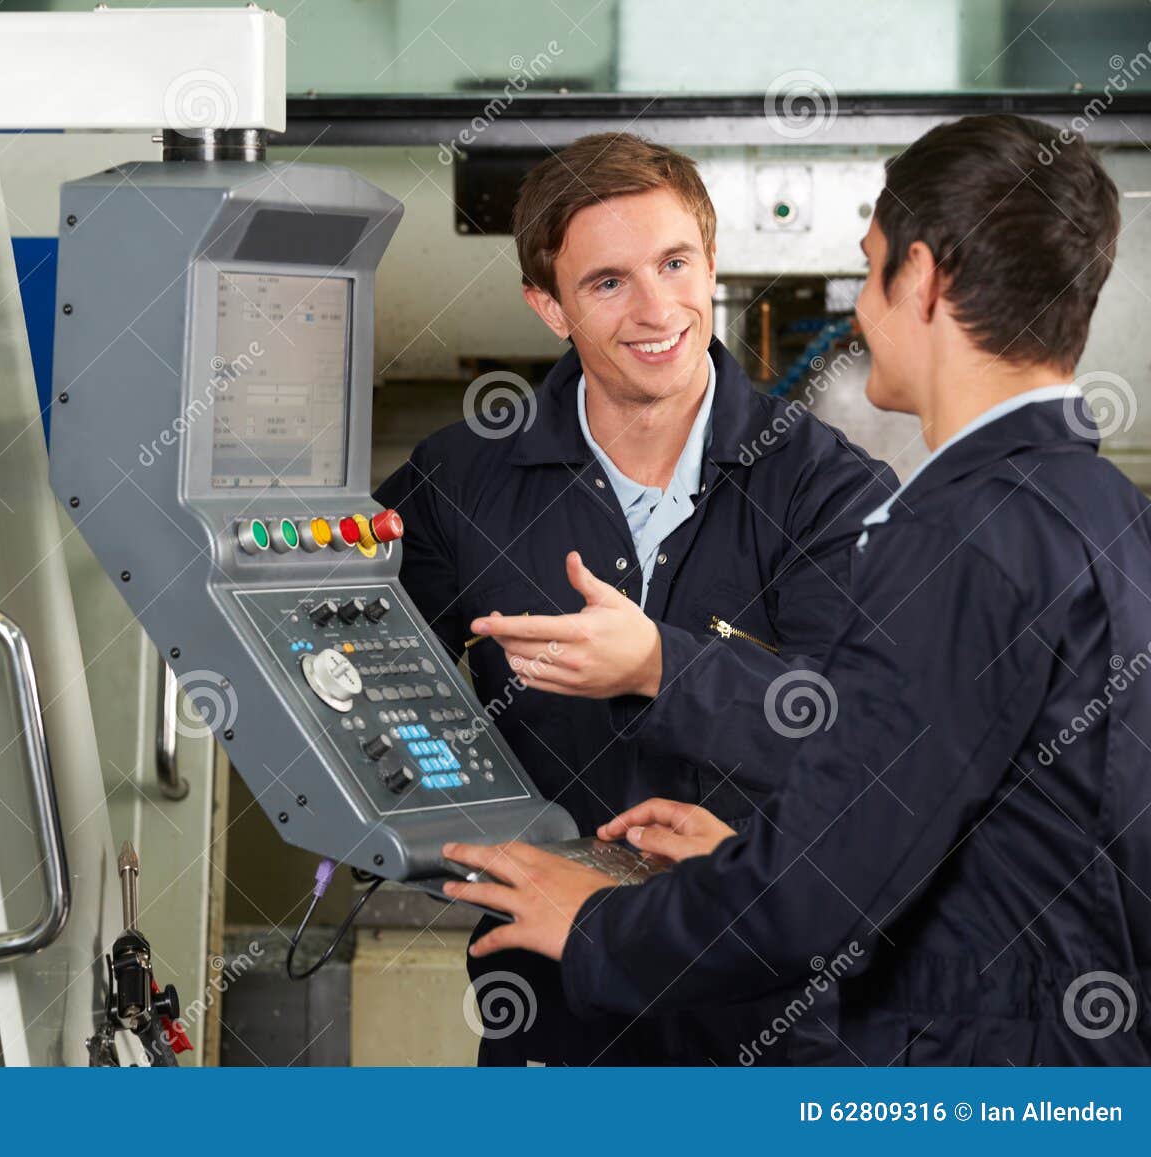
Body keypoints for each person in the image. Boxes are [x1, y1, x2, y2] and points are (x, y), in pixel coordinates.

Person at [445, 113, 1150, 1065]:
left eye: (868, 271)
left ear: (925, 278)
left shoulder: (951, 537)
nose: (859, 309)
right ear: (553, 303)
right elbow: (954, 838)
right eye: (609, 281)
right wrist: (747, 859)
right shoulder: (1104, 507)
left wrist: (597, 923)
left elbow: (823, 893)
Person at [373, 132, 897, 1065]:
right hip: (550, 1008)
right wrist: (450, 827)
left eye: (674, 263)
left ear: (711, 261)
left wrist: (664, 663)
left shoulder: (825, 490)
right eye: (608, 282)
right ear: (549, 306)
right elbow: (361, 666)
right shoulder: (463, 479)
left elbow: (867, 742)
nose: (657, 309)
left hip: (768, 1020)